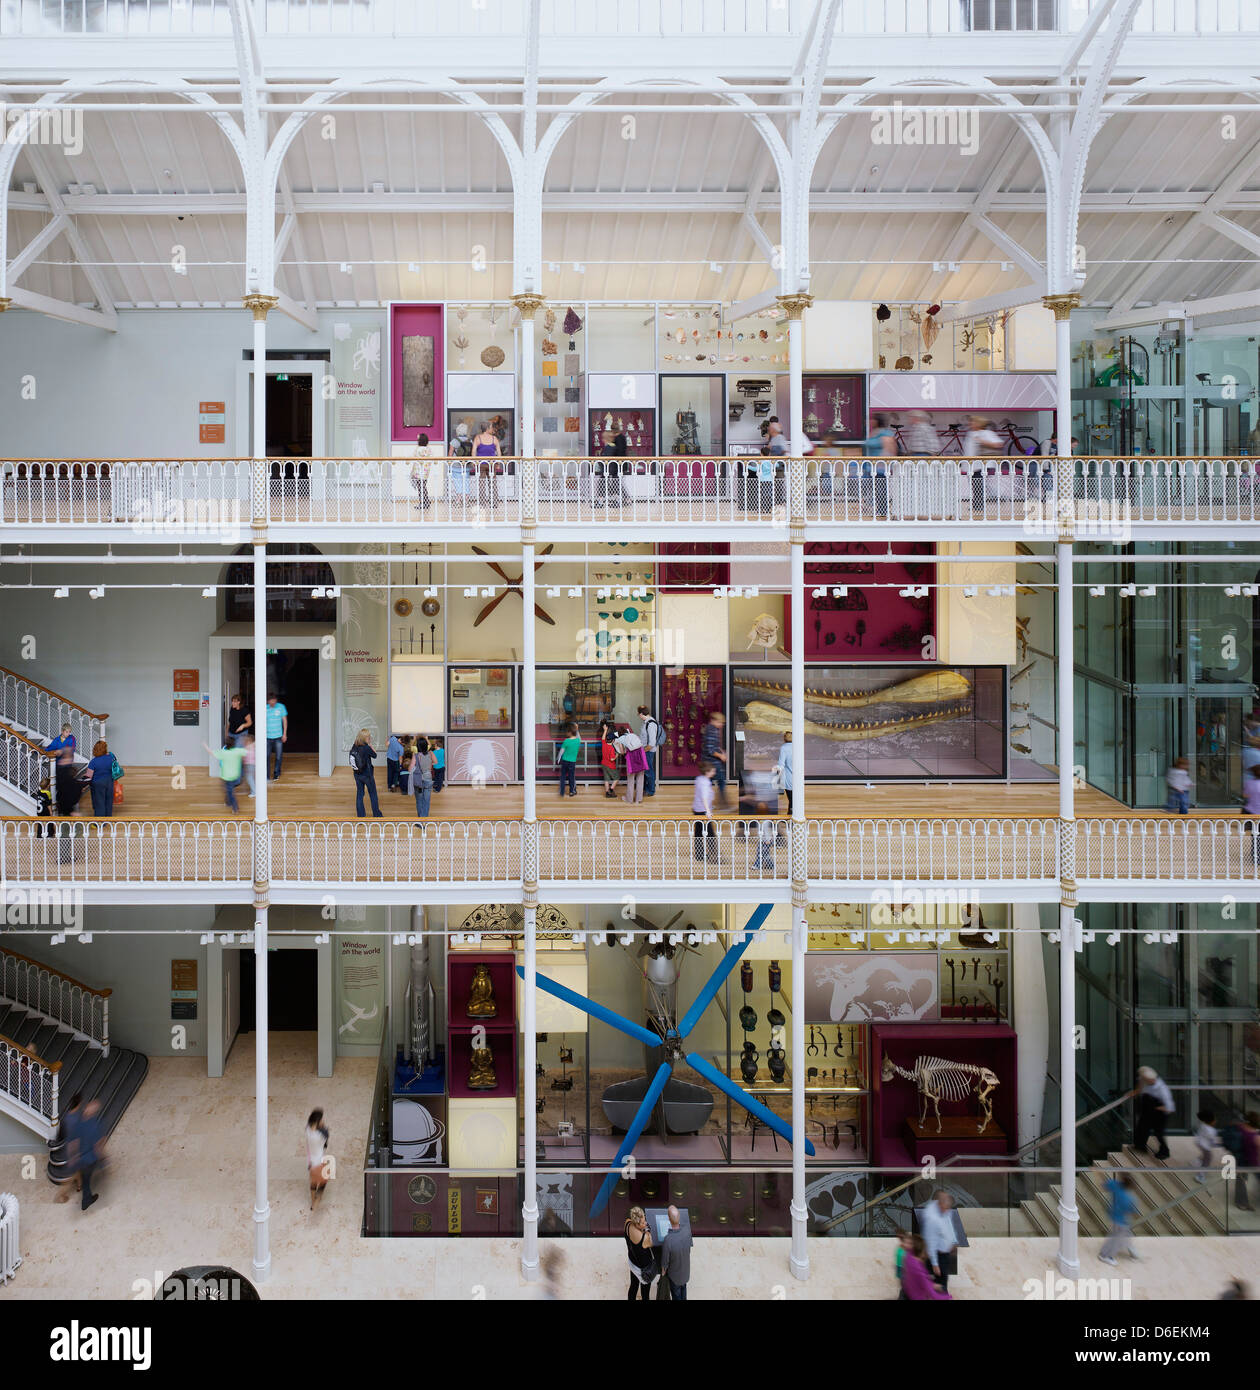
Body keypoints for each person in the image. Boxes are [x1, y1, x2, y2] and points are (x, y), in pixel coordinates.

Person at [67, 1095, 104, 1212]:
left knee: (85, 1180)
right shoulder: (93, 1125)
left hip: (81, 1160)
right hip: (89, 1160)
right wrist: (103, 1160)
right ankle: (86, 1200)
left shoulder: (79, 1123)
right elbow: (98, 1145)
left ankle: (86, 1199)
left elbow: (73, 1143)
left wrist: (72, 1158)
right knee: (86, 1180)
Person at [919, 1189, 958, 1291]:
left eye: (949, 1208)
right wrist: (935, 1264)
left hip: (944, 1254)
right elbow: (931, 1243)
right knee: (939, 1285)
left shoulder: (945, 1209)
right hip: (936, 1255)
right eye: (946, 1208)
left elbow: (949, 1225)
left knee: (940, 1283)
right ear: (940, 1204)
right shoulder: (932, 1218)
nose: (948, 1210)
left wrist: (953, 1241)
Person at [963, 414, 1003, 513]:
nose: (970, 423)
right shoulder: (970, 433)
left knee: (978, 484)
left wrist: (982, 441)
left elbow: (998, 444)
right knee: (974, 485)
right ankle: (976, 504)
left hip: (981, 465)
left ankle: (979, 505)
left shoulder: (987, 433)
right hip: (970, 465)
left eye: (973, 421)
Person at [1133, 1065, 1174, 1159]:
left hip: (1159, 1111)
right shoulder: (1143, 1079)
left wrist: (1156, 1109)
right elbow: (1139, 1088)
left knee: (1159, 1132)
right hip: (1148, 1108)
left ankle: (1164, 1151)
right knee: (1142, 1127)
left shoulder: (1162, 1089)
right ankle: (1140, 1146)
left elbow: (1169, 1107)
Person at [1098, 1172, 1139, 1264]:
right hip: (1121, 1221)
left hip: (1112, 1215)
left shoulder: (1114, 1184)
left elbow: (1104, 1186)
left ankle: (1129, 1247)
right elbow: (1132, 1212)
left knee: (1125, 1234)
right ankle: (1105, 1255)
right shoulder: (1129, 1199)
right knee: (1116, 1239)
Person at [860, 414, 895, 517]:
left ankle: (883, 511)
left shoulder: (885, 433)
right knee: (874, 489)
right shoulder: (873, 432)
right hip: (870, 465)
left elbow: (889, 448)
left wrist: (883, 463)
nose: (869, 422)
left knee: (881, 489)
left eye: (871, 419)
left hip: (880, 466)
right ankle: (877, 509)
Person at [901, 1232, 952, 1300]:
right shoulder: (918, 1269)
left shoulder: (908, 1257)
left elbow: (921, 1282)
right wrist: (949, 1297)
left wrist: (933, 1285)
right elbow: (933, 1295)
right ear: (922, 1251)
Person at [624, 1205, 656, 1301]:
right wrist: (646, 1231)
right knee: (645, 1294)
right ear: (636, 1224)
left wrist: (642, 1228)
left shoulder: (627, 1223)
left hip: (632, 1262)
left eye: (644, 1220)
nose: (645, 1223)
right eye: (642, 1222)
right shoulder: (644, 1238)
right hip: (643, 1269)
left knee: (633, 1286)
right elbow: (652, 1243)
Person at [660, 1205, 692, 1301]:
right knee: (683, 1289)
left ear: (669, 1219)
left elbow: (665, 1263)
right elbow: (688, 1249)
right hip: (685, 1273)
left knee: (676, 1295)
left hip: (675, 1277)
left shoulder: (668, 1240)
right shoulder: (687, 1230)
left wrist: (662, 1274)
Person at [203, 739, 245, 813]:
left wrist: (205, 746)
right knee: (229, 790)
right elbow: (247, 752)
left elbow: (211, 752)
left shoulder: (223, 753)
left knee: (229, 791)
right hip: (235, 776)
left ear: (226, 745)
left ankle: (235, 808)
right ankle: (228, 802)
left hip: (227, 777)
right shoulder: (237, 751)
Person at [350, 729, 382, 818]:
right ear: (364, 738)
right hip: (367, 775)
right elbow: (375, 755)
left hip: (357, 774)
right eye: (368, 737)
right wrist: (371, 746)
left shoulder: (354, 746)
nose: (370, 738)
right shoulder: (366, 747)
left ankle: (360, 816)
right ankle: (377, 815)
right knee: (373, 794)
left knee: (360, 794)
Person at [472, 419, 502, 511]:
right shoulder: (494, 439)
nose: (492, 429)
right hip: (492, 464)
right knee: (492, 483)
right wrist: (498, 463)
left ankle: (481, 503)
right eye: (491, 427)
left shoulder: (478, 438)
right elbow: (499, 453)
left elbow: (473, 451)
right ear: (488, 428)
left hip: (480, 464)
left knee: (481, 483)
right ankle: (494, 503)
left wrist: (474, 462)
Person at [81, 739, 116, 817]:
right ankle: (108, 818)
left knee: (99, 802)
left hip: (98, 784)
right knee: (108, 800)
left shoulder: (93, 762)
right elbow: (114, 768)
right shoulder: (111, 757)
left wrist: (83, 786)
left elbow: (89, 776)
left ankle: (99, 823)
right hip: (109, 781)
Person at [306, 1108, 331, 1211]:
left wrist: (320, 1126)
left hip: (310, 1160)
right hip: (319, 1161)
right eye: (321, 1120)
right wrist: (324, 1128)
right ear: (317, 1122)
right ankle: (316, 1201)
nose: (322, 1121)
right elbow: (325, 1141)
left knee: (313, 1182)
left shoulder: (307, 1129)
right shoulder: (319, 1136)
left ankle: (312, 1200)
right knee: (323, 1182)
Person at [701, 711, 728, 806]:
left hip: (711, 762)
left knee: (711, 782)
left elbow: (713, 745)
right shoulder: (711, 730)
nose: (721, 725)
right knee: (721, 782)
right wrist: (721, 756)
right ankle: (723, 804)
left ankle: (710, 802)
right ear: (713, 720)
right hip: (712, 763)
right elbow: (710, 749)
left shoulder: (712, 729)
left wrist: (721, 751)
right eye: (720, 722)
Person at [615, 723, 647, 804]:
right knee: (640, 778)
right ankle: (638, 799)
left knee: (631, 779)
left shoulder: (620, 739)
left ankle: (629, 799)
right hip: (641, 754)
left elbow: (622, 752)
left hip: (631, 757)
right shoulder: (633, 735)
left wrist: (619, 746)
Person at [693, 761, 717, 861]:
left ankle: (699, 854)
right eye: (712, 771)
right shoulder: (705, 783)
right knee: (709, 833)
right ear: (707, 772)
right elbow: (704, 797)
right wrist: (708, 811)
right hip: (703, 811)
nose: (714, 772)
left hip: (696, 808)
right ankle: (715, 855)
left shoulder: (699, 779)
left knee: (698, 832)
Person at [637, 705, 662, 797]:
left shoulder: (651, 724)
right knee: (646, 771)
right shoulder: (646, 722)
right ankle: (646, 789)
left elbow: (651, 744)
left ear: (641, 714)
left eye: (638, 713)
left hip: (648, 751)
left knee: (648, 771)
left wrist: (642, 751)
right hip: (645, 750)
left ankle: (651, 790)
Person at [53, 747, 85, 816]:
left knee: (64, 812)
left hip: (62, 796)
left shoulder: (60, 766)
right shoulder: (64, 768)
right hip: (67, 797)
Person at [265, 691, 288, 780]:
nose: (273, 702)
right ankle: (266, 775)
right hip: (267, 737)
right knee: (266, 756)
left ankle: (276, 773)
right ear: (268, 701)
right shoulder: (264, 708)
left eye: (274, 700)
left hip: (278, 736)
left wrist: (284, 734)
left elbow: (284, 721)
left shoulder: (281, 707)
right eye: (271, 701)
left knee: (278, 756)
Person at [448, 422, 473, 500]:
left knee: (457, 482)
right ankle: (467, 500)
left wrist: (449, 464)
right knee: (466, 482)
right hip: (467, 465)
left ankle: (458, 501)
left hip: (456, 465)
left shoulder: (454, 441)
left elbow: (450, 454)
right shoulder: (470, 441)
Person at [1194, 1107, 1219, 1183]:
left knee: (1205, 1156)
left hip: (1199, 1143)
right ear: (1211, 1121)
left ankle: (1197, 1161)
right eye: (1215, 1119)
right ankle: (1200, 1176)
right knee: (1207, 1160)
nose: (1216, 1120)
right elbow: (1212, 1140)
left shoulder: (1203, 1125)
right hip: (1205, 1146)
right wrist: (1216, 1144)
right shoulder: (1211, 1130)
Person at [412, 736, 435, 817]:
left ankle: (420, 820)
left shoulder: (416, 755)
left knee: (419, 800)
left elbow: (410, 767)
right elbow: (435, 762)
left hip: (419, 780)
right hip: (428, 778)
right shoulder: (431, 753)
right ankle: (424, 820)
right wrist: (429, 765)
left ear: (418, 746)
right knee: (426, 800)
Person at [1242, 765, 1260, 868]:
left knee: (1255, 836)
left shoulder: (1249, 783)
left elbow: (1245, 795)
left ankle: (1256, 856)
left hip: (1253, 813)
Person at [556, 723, 580, 798]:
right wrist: (577, 728)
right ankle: (572, 791)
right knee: (571, 776)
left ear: (569, 732)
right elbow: (578, 736)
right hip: (572, 762)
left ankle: (562, 791)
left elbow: (561, 752)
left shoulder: (566, 741)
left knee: (563, 776)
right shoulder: (578, 741)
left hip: (564, 761)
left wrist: (558, 759)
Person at [411, 433, 432, 511]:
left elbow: (414, 458)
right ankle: (426, 501)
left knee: (420, 488)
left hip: (418, 471)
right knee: (424, 487)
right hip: (426, 471)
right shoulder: (428, 449)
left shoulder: (418, 449)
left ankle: (423, 503)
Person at [599, 719, 619, 799]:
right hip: (610, 766)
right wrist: (617, 755)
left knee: (606, 779)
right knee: (617, 778)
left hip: (603, 764)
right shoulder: (611, 748)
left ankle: (607, 792)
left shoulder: (604, 744)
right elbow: (611, 759)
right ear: (613, 740)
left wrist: (605, 730)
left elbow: (603, 738)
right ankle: (611, 789)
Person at [776, 731, 794, 815]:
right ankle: (790, 817)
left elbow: (781, 764)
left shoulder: (784, 748)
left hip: (789, 778)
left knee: (791, 799)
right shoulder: (798, 746)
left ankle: (790, 818)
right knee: (794, 800)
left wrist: (777, 778)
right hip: (798, 778)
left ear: (784, 738)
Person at [241, 733, 256, 799]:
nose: (244, 742)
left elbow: (243, 757)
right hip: (252, 764)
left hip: (249, 765)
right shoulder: (253, 746)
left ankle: (254, 792)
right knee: (252, 778)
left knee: (249, 778)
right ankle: (254, 790)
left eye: (245, 741)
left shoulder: (247, 748)